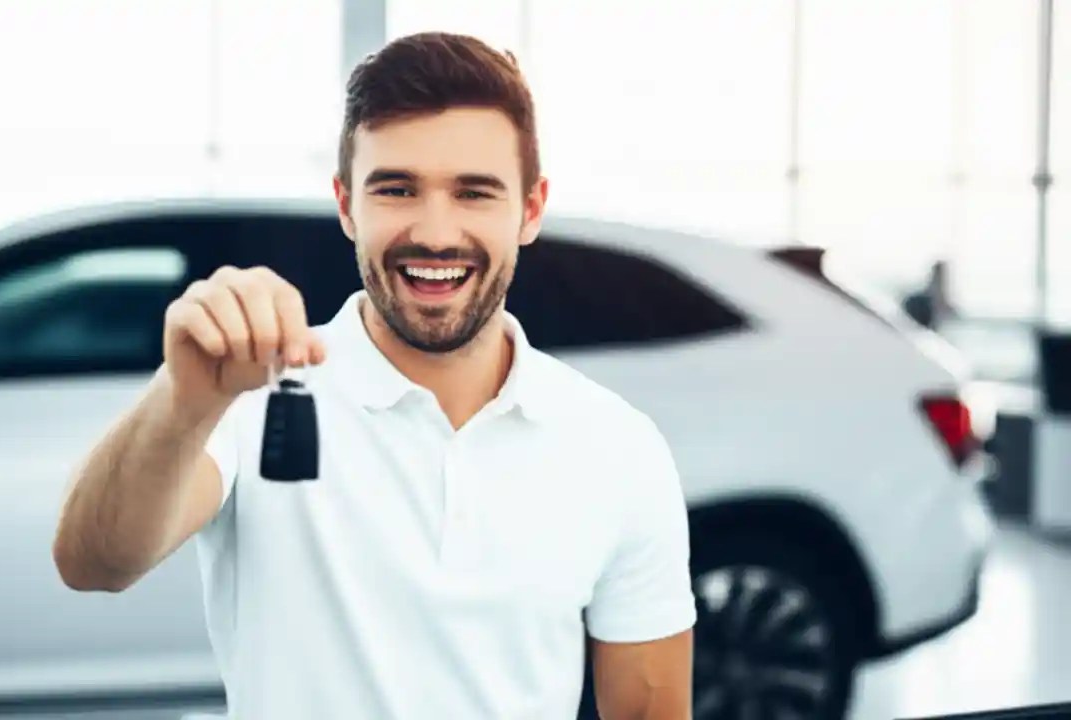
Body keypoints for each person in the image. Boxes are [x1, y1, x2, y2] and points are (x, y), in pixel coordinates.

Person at [53, 31, 696, 719]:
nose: (436, 232)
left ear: (530, 210)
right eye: (397, 189)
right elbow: (95, 563)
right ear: (346, 204)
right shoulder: (250, 397)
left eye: (474, 193)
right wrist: (183, 401)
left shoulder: (619, 445)